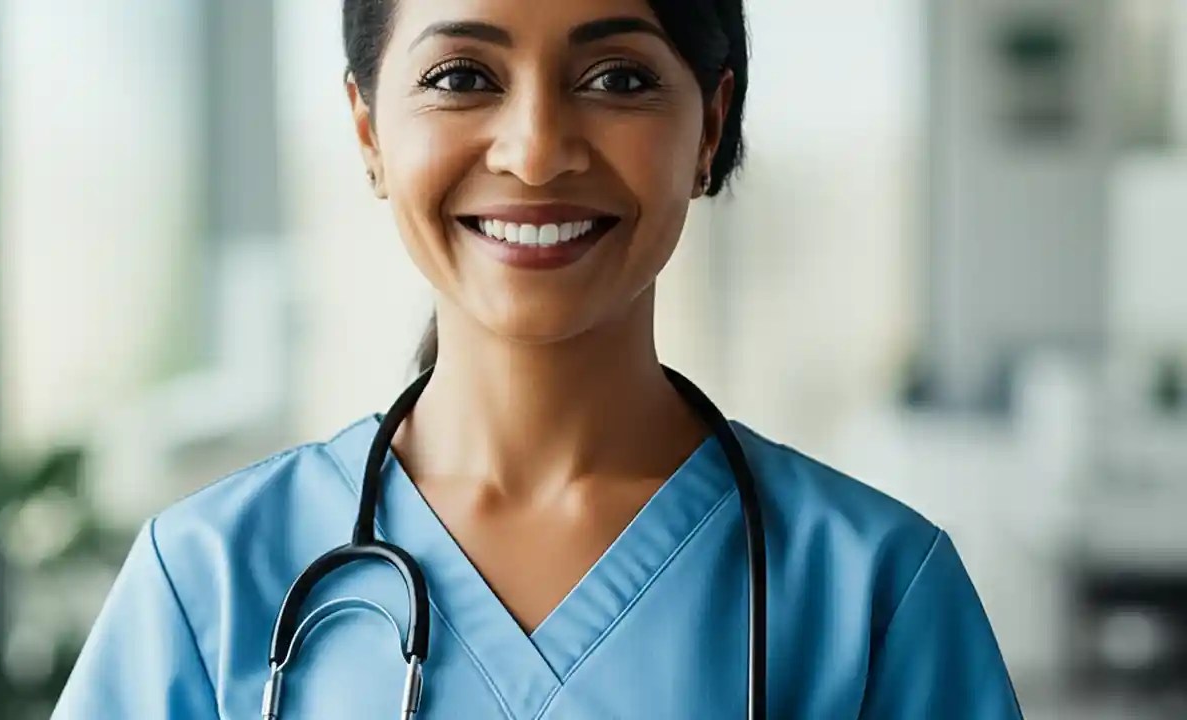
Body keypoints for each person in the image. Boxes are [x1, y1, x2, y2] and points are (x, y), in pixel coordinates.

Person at [53, 0, 1023, 717]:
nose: (535, 150)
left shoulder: (875, 597)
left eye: (618, 79)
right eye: (460, 77)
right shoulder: (208, 584)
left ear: (710, 126)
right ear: (368, 130)